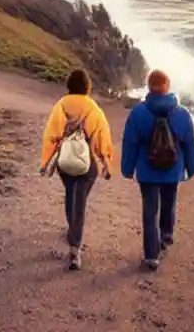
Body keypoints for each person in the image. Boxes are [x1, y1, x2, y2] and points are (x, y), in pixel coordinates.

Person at [121, 69, 194, 269]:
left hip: (147, 171)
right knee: (169, 202)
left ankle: (151, 255)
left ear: (149, 87)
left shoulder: (138, 113)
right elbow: (190, 142)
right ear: (167, 87)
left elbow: (130, 142)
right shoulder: (182, 113)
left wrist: (127, 168)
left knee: (149, 210)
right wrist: (192, 167)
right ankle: (165, 236)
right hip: (173, 170)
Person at [39, 68, 114, 271]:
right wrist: (106, 163)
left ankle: (72, 229)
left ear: (68, 87)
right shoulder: (93, 108)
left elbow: (51, 135)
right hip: (86, 163)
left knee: (71, 193)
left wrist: (45, 162)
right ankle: (74, 250)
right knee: (79, 199)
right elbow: (101, 137)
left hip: (65, 161)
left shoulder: (61, 105)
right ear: (87, 87)